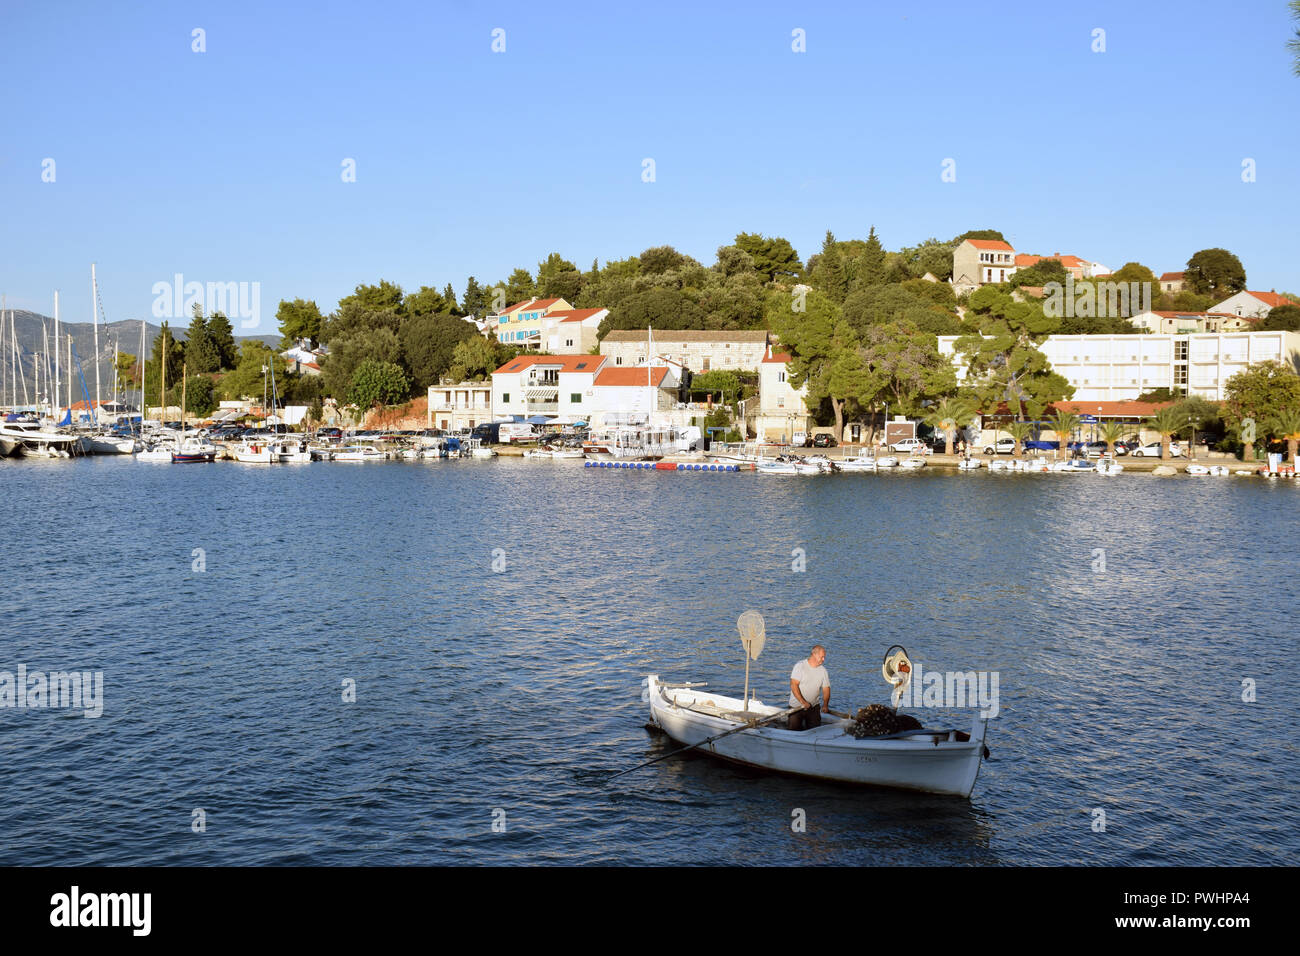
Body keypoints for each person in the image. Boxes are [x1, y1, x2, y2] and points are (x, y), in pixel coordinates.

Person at [788, 645, 830, 731]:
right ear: (814, 654)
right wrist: (803, 702)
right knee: (793, 730)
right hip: (797, 706)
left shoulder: (823, 671)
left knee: (815, 732)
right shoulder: (800, 666)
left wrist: (825, 704)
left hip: (813, 707)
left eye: (824, 657)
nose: (823, 660)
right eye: (822, 657)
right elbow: (793, 685)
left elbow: (826, 689)